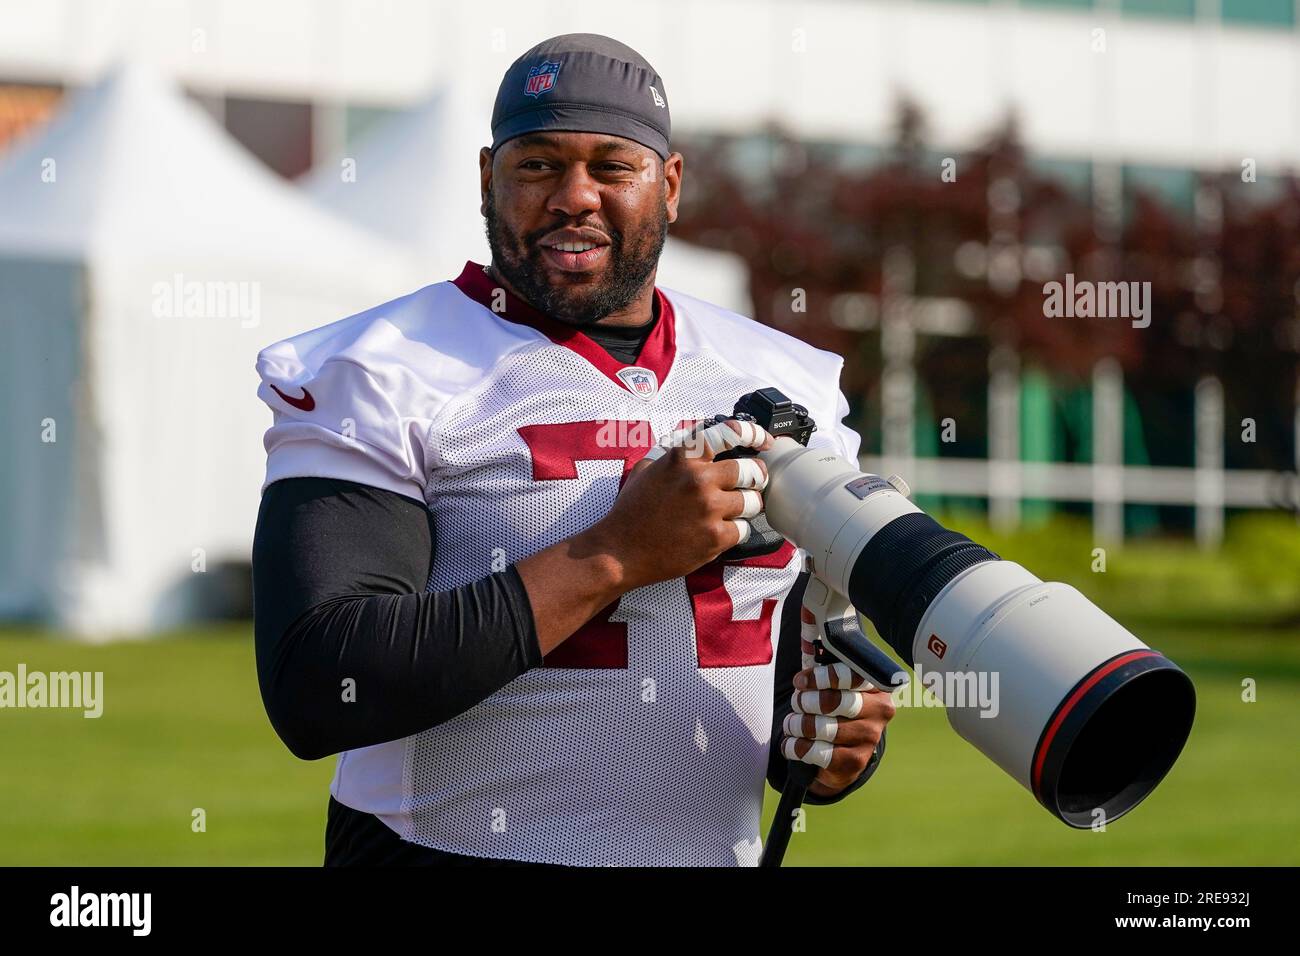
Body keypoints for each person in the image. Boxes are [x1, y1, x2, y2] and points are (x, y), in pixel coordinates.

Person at [252, 32, 896, 867]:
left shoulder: (786, 377)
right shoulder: (378, 369)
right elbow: (320, 685)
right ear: (488, 177)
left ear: (668, 186)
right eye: (538, 165)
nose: (574, 197)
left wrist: (828, 740)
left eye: (611, 167)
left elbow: (772, 666)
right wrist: (613, 553)